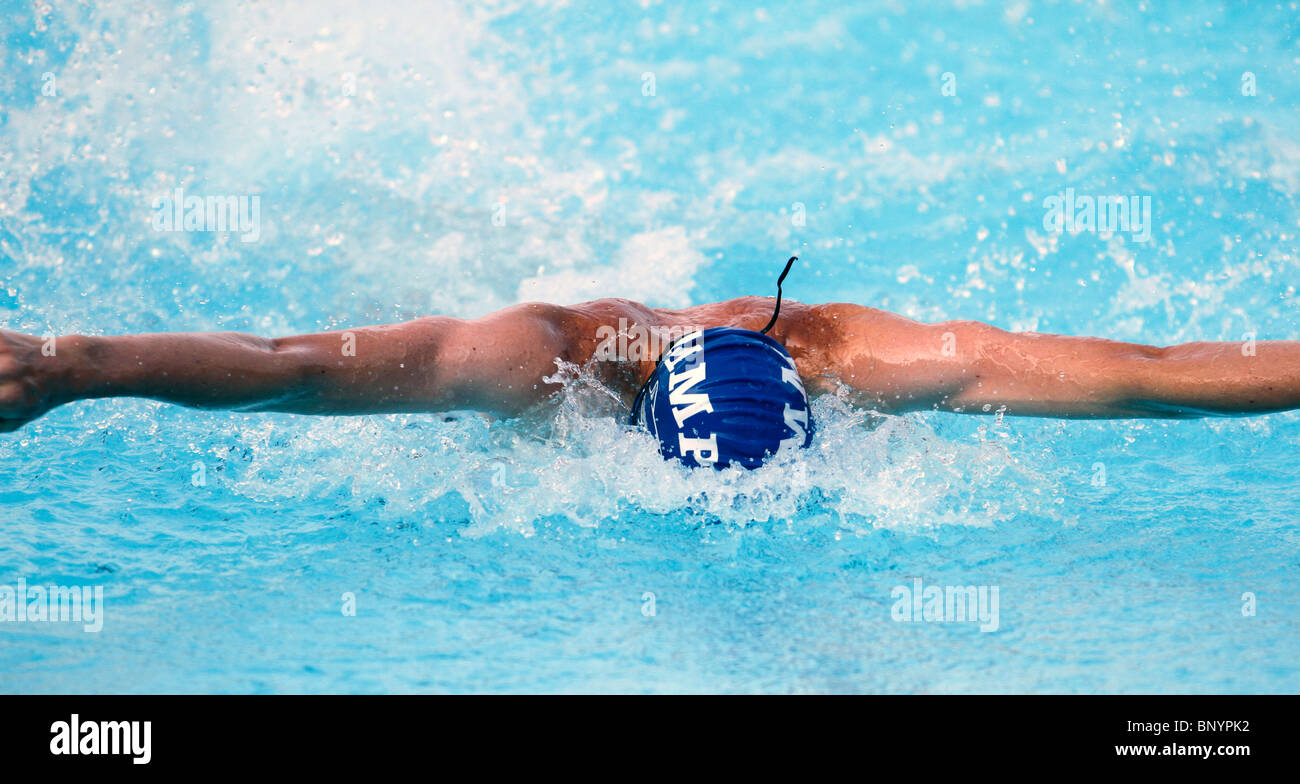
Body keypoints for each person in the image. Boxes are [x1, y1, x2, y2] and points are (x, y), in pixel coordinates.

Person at [3, 258, 1299, 468]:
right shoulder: (541, 360)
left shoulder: (852, 357)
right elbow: (293, 363)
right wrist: (74, 362)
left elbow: (1149, 367)